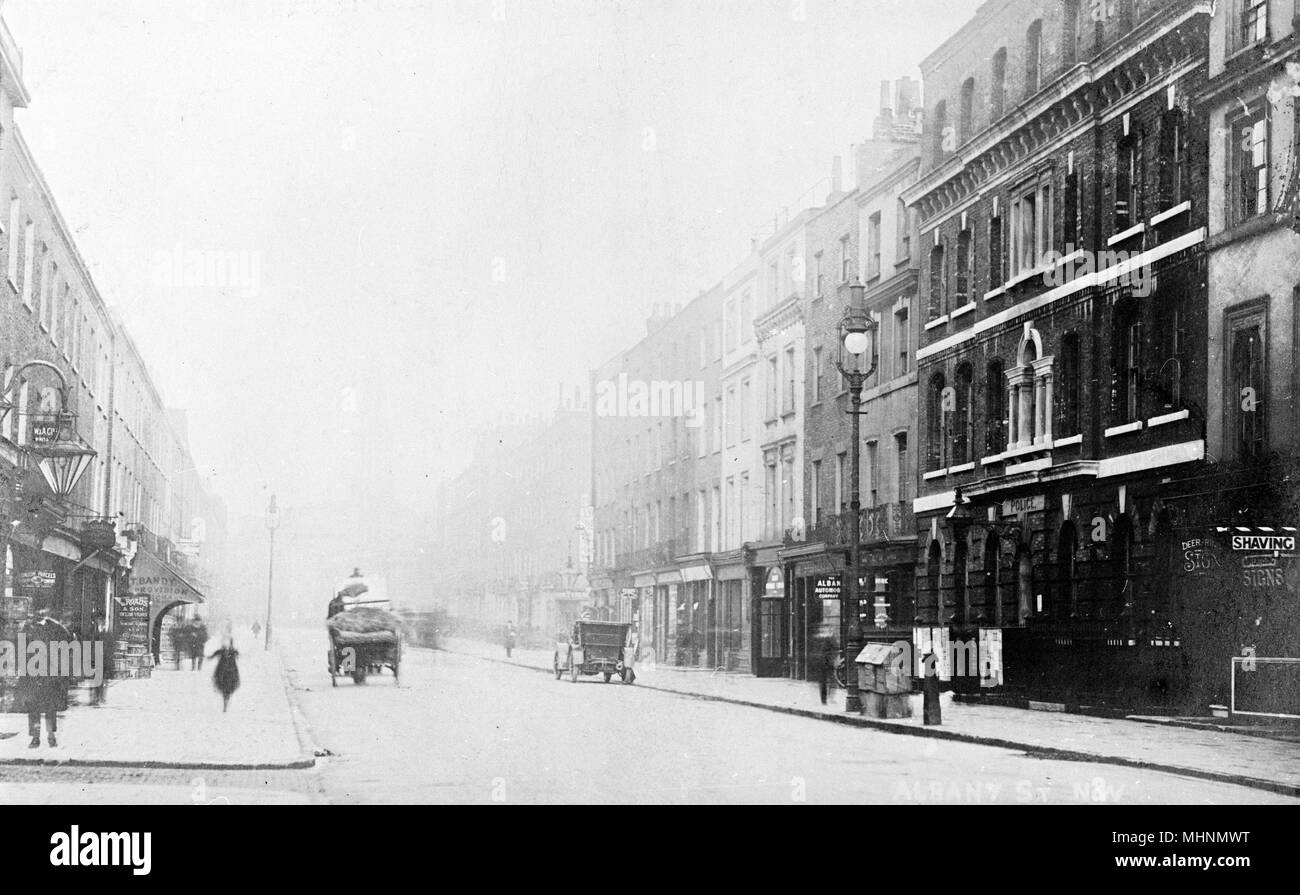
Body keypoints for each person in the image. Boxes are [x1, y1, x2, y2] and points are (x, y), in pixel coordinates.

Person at [17, 610, 72, 748]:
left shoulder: (51, 626)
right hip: (35, 673)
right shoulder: (30, 627)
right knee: (38, 706)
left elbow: (68, 641)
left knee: (46, 706)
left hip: (45, 673)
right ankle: (40, 737)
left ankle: (48, 736)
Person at [209, 637, 241, 713]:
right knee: (224, 689)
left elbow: (238, 655)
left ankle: (225, 704)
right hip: (223, 673)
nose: (227, 647)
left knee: (227, 689)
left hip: (230, 673)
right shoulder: (223, 651)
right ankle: (225, 704)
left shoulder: (232, 652)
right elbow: (214, 654)